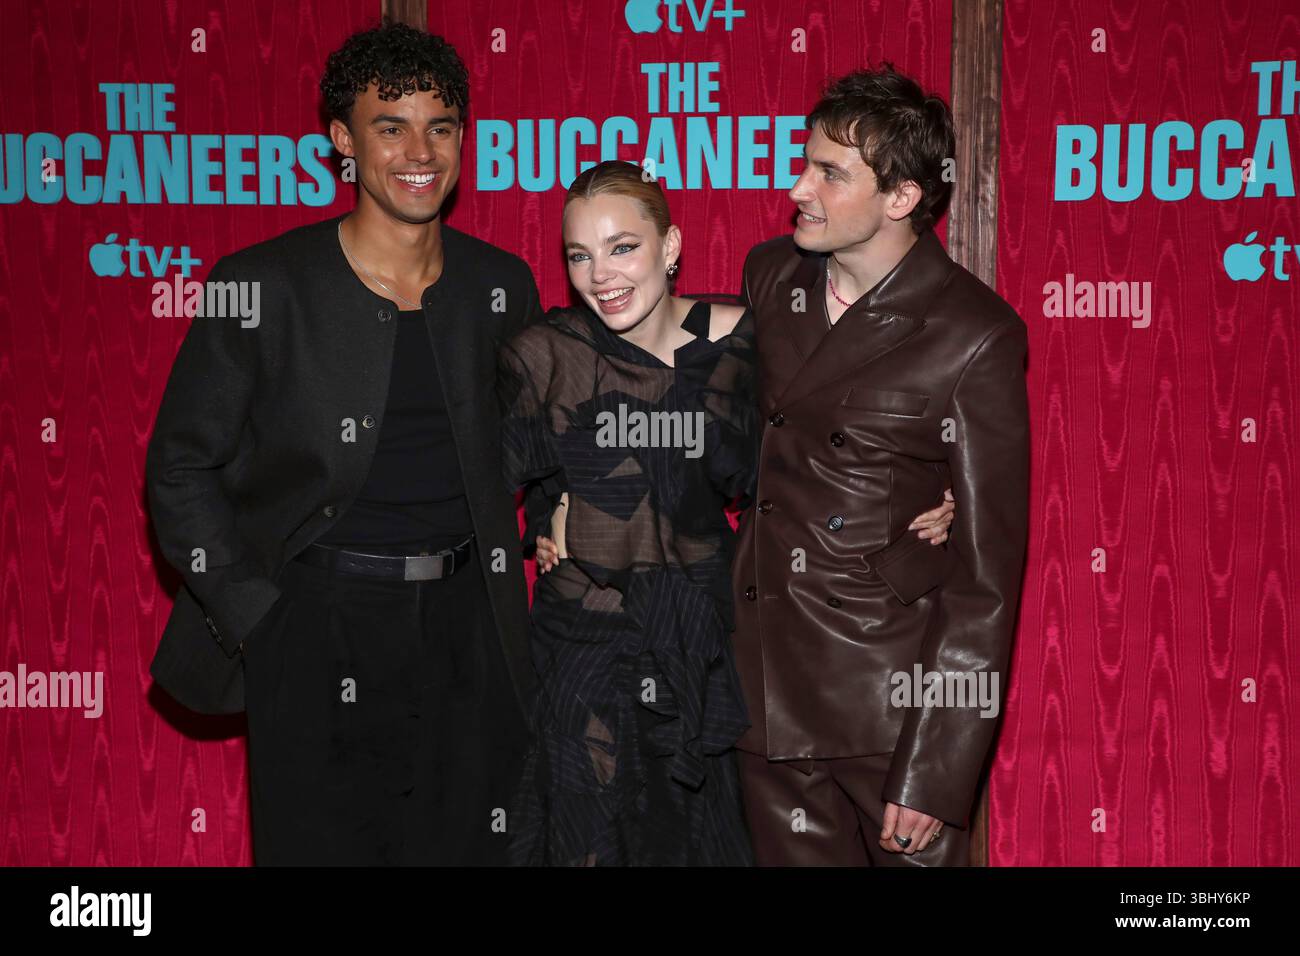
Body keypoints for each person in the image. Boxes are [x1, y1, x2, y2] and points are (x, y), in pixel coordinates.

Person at [145, 22, 537, 865]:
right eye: (389, 126)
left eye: (440, 125)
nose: (417, 150)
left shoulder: (500, 286)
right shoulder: (260, 287)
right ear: (343, 143)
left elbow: (534, 447)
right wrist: (260, 619)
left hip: (469, 625)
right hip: (317, 626)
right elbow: (178, 471)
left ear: (464, 138)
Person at [498, 160, 955, 865]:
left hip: (707, 643)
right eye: (579, 255)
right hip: (582, 646)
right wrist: (548, 518)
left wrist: (933, 491)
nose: (601, 275)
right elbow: (488, 483)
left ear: (671, 247)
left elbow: (830, 438)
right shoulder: (542, 356)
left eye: (623, 247)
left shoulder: (743, 340)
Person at [731, 65, 1030, 866]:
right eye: (805, 162)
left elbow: (986, 578)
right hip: (765, 693)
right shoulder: (771, 276)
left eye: (830, 173)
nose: (798, 186)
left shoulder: (973, 333)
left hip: (891, 708)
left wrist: (937, 770)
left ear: (900, 197)